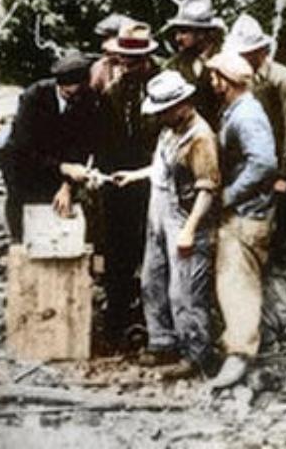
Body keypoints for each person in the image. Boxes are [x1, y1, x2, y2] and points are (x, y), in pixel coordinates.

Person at [113, 70, 220, 378]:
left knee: (185, 291)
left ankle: (195, 353)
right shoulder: (169, 130)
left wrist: (189, 230)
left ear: (182, 105)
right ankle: (162, 341)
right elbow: (161, 168)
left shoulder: (200, 137)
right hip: (157, 212)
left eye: (165, 111)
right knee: (152, 280)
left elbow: (207, 188)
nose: (160, 117)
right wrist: (135, 175)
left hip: (184, 217)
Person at [224, 16, 286, 344]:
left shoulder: (282, 80)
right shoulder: (244, 81)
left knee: (281, 250)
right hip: (255, 175)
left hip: (277, 175)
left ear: (261, 50)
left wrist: (285, 174)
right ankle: (266, 321)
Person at [204, 52, 278, 390]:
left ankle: (240, 354)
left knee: (238, 284)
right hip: (244, 211)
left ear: (227, 80)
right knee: (236, 281)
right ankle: (241, 341)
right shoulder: (236, 110)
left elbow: (263, 162)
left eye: (215, 76)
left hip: (247, 213)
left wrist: (229, 195)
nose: (212, 82)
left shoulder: (246, 114)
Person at [90, 18, 159, 349]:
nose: (126, 67)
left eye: (133, 62)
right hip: (118, 182)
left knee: (154, 251)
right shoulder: (113, 91)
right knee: (118, 250)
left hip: (156, 180)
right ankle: (116, 321)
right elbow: (104, 138)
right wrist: (104, 175)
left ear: (146, 59)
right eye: (122, 61)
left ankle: (153, 323)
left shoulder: (164, 85)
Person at [0, 52, 102, 242]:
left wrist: (67, 186)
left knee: (59, 204)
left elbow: (82, 146)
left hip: (60, 155)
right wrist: (62, 167)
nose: (73, 99)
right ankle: (18, 240)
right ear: (59, 86)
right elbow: (24, 147)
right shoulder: (33, 98)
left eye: (78, 94)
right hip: (21, 159)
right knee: (23, 202)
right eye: (68, 95)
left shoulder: (88, 99)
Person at [163, 0, 225, 125]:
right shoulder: (174, 66)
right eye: (177, 32)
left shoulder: (226, 61)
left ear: (201, 33)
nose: (178, 38)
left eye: (184, 32)